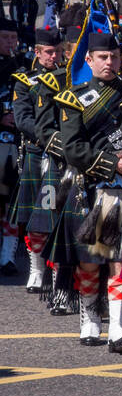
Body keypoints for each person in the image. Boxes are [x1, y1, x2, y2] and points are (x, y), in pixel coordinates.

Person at [53, 30, 122, 352]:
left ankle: (117, 329)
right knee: (90, 261)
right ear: (88, 60)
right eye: (103, 57)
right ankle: (90, 316)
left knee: (118, 259)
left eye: (114, 57)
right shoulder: (73, 98)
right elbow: (73, 149)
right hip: (87, 188)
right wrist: (112, 165)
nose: (109, 62)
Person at [7, 23, 65, 293]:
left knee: (51, 214)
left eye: (59, 52)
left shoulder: (69, 80)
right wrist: (51, 137)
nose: (55, 57)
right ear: (38, 52)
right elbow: (22, 120)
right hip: (35, 154)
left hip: (59, 160)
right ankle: (36, 269)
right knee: (33, 218)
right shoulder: (24, 81)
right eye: (50, 52)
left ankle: (54, 273)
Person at [0, 15, 25, 274]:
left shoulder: (22, 66)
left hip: (15, 145)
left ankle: (7, 257)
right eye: (5, 38)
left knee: (12, 204)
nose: (11, 42)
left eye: (13, 38)